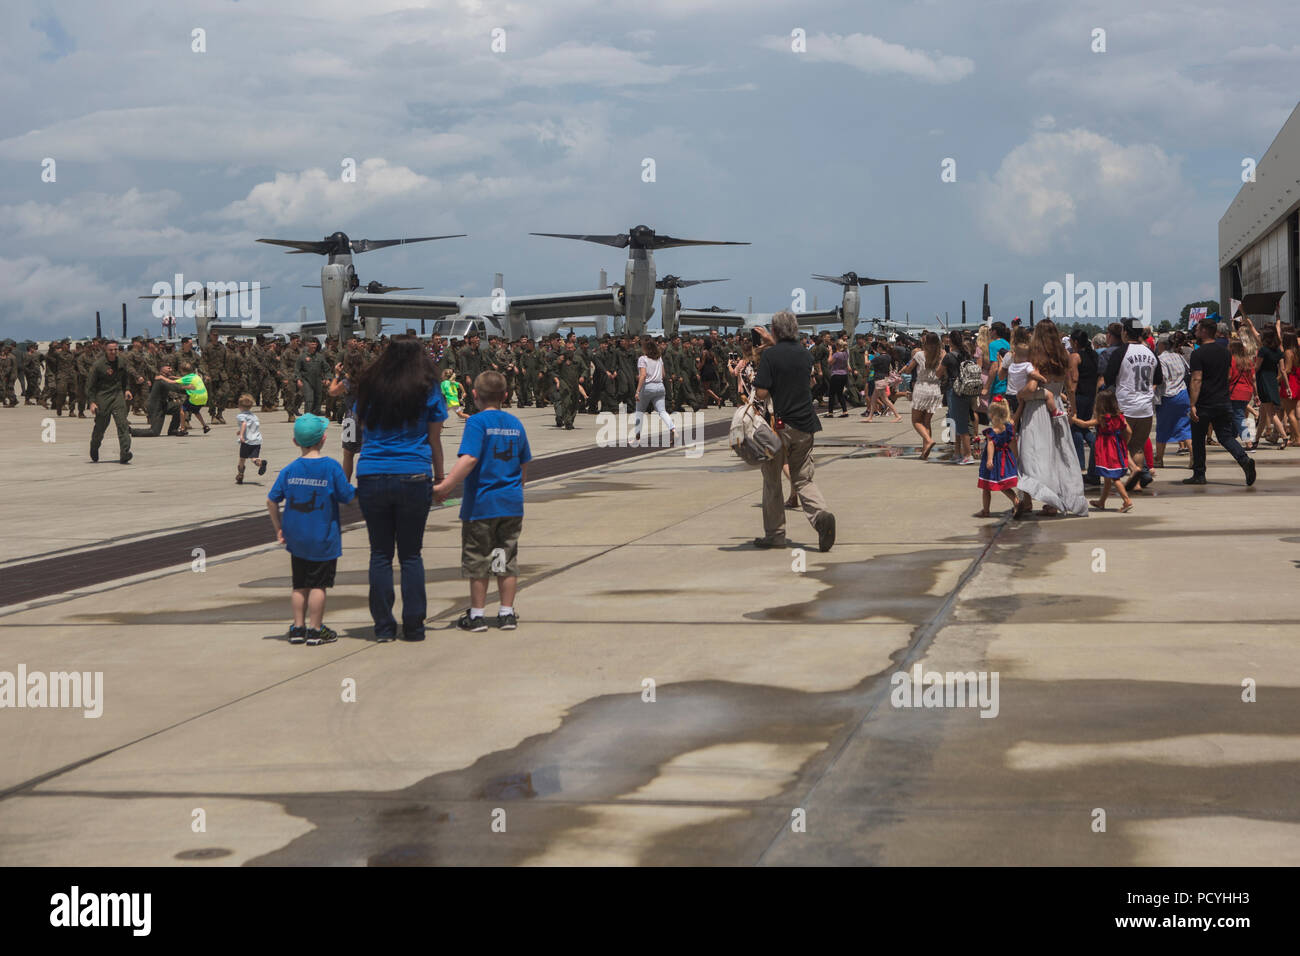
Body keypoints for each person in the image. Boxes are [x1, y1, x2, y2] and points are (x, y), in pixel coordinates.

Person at [354, 336, 447, 642]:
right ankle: (415, 626)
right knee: (411, 555)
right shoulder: (428, 388)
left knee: (380, 554)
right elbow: (434, 439)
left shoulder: (370, 386)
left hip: (372, 473)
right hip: (413, 474)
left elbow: (363, 428)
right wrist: (440, 477)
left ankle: (383, 627)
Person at [434, 370, 531, 632]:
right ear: (506, 395)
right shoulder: (515, 424)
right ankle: (506, 612)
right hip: (510, 504)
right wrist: (515, 488)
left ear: (474, 395)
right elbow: (524, 464)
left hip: (481, 505)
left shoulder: (476, 423)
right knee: (505, 558)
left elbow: (470, 459)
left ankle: (477, 615)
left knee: (478, 559)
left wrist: (445, 485)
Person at [266, 414, 356, 645]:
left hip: (296, 539)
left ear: (295, 442)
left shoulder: (289, 470)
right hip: (323, 538)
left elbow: (272, 500)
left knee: (299, 585)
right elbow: (347, 496)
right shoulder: (331, 468)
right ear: (324, 439)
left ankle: (298, 628)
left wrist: (278, 528)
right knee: (318, 585)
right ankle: (315, 630)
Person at [752, 311, 836, 552]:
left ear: (776, 331)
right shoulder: (804, 354)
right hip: (806, 425)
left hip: (780, 426)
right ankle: (820, 517)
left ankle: (775, 534)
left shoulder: (770, 356)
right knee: (802, 478)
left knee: (771, 479)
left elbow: (761, 393)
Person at [1014, 320, 1088, 518]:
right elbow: (1070, 385)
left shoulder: (1034, 357)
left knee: (1031, 455)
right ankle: (1054, 500)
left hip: (1036, 408)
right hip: (1057, 406)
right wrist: (1072, 408)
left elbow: (1031, 388)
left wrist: (1019, 395)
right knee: (1059, 454)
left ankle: (1031, 499)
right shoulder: (1064, 356)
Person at [1183, 317, 1256, 487]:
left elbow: (1196, 379)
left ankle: (1199, 474)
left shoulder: (1198, 353)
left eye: (1198, 329)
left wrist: (1192, 403)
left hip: (1204, 402)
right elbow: (1229, 375)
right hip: (1223, 400)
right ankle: (1244, 459)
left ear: (1203, 331)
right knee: (1225, 436)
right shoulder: (1225, 352)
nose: (1196, 331)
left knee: (1199, 438)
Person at [1101, 318, 1161, 494]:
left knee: (1118, 443)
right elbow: (1158, 379)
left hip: (1125, 406)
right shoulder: (1151, 353)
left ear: (1125, 333)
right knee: (1137, 446)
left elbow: (1109, 378)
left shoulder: (1121, 352)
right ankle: (1136, 484)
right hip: (1146, 408)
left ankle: (1133, 470)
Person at [1073, 390, 1135, 513]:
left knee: (1114, 478)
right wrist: (1124, 444)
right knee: (1107, 477)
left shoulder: (1103, 419)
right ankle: (1101, 502)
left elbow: (1085, 424)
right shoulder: (1120, 417)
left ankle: (1126, 500)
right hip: (1117, 447)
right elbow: (1129, 432)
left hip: (1107, 450)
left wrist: (1073, 419)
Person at [87, 340, 133, 464]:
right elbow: (90, 386)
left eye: (115, 349)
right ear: (105, 350)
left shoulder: (122, 361)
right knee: (101, 426)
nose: (113, 352)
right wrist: (92, 402)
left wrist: (127, 390)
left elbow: (125, 378)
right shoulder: (98, 365)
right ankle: (94, 446)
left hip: (118, 396)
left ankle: (125, 452)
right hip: (103, 397)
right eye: (111, 350)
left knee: (123, 424)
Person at [901, 332, 946, 460]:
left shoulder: (919, 354)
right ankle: (925, 450)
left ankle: (928, 440)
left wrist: (904, 369)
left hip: (921, 387)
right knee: (927, 421)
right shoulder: (941, 354)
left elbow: (909, 369)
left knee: (916, 421)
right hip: (935, 389)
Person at [1153, 336, 1191, 468]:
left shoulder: (1161, 359)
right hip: (1183, 393)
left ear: (1162, 345)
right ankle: (1193, 458)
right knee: (1185, 426)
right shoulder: (1178, 356)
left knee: (1163, 428)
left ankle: (1158, 459)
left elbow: (1161, 378)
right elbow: (1187, 372)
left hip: (1167, 396)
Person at [977, 398, 1018, 517]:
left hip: (995, 460)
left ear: (993, 415)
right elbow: (1012, 442)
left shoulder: (992, 431)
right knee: (1004, 485)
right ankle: (1016, 501)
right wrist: (1015, 456)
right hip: (1006, 458)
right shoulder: (1009, 428)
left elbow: (990, 445)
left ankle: (986, 510)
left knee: (986, 486)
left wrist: (989, 459)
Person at [941, 330, 976, 465]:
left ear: (950, 341)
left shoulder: (949, 356)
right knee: (958, 420)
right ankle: (957, 453)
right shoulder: (966, 354)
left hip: (954, 389)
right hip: (966, 389)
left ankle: (968, 454)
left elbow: (939, 372)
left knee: (959, 423)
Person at [235, 393, 268, 484]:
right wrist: (241, 431)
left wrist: (241, 435)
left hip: (247, 441)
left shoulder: (241, 416)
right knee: (254, 458)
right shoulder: (254, 416)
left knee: (242, 459)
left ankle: (240, 475)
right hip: (257, 440)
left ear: (240, 406)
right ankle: (261, 463)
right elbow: (251, 426)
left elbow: (244, 424)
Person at [825, 337, 850, 418]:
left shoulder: (836, 354)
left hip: (836, 375)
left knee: (832, 394)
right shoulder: (846, 353)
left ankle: (830, 412)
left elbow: (829, 362)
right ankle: (845, 411)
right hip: (844, 374)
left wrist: (830, 352)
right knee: (840, 393)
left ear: (837, 346)